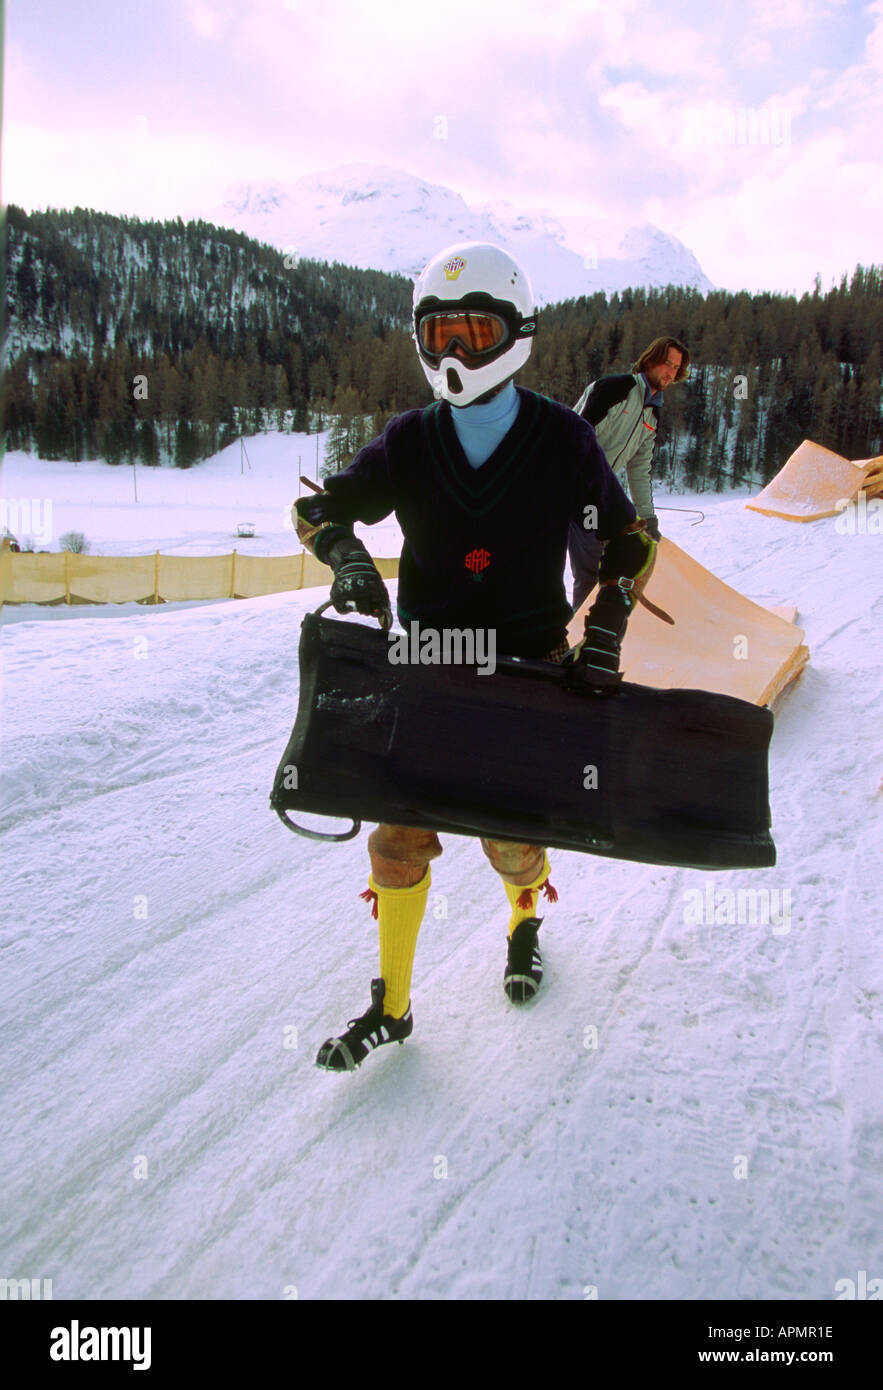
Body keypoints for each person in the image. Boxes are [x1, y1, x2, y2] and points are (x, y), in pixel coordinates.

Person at [293, 241, 657, 1072]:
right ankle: (392, 1006)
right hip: (425, 668)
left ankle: (523, 923)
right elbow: (316, 510)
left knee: (509, 841)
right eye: (439, 335)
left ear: (516, 335)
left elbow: (629, 546)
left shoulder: (562, 440)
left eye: (475, 333)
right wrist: (347, 558)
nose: (454, 354)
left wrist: (604, 629)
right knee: (396, 837)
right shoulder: (409, 441)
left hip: (527, 671)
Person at [567, 336, 689, 613]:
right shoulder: (614, 388)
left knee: (593, 570)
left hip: (592, 498)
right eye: (666, 363)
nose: (670, 371)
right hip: (565, 486)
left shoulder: (652, 415)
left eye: (676, 367)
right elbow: (577, 435)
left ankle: (581, 638)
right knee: (537, 565)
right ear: (651, 360)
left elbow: (639, 469)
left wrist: (647, 517)